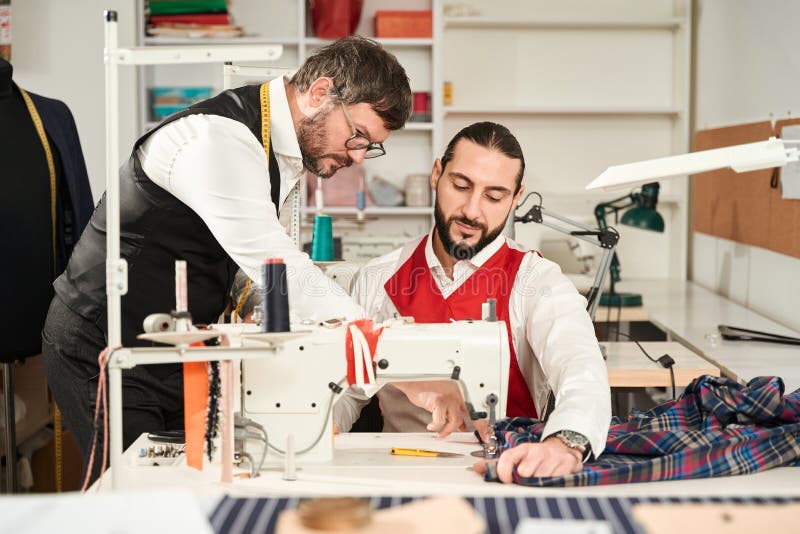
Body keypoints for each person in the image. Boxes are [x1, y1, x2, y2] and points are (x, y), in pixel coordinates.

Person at [41, 36, 412, 474]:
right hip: (103, 345)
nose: (357, 157)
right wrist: (397, 358)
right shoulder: (217, 139)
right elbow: (277, 267)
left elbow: (245, 265)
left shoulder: (272, 142)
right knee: (141, 499)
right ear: (319, 94)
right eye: (358, 137)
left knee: (192, 487)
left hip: (170, 351)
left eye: (370, 146)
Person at [335, 122, 611, 480]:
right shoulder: (377, 278)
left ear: (515, 198)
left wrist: (566, 442)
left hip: (508, 471)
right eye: (461, 186)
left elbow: (581, 368)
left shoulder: (537, 281)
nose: (472, 210)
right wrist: (324, 426)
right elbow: (343, 387)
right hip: (395, 471)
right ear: (437, 174)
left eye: (494, 197)